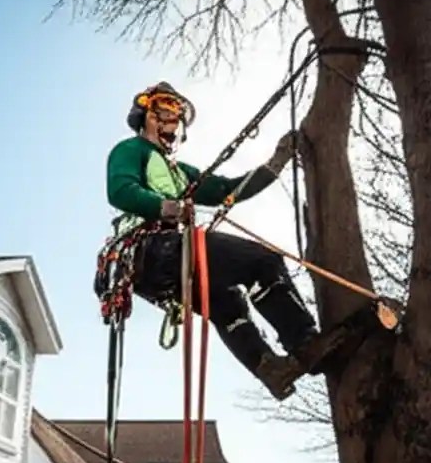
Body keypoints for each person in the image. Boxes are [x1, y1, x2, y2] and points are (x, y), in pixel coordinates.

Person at [104, 81, 320, 400]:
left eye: (176, 117)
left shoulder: (180, 171)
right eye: (162, 112)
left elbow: (224, 190)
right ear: (144, 116)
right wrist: (164, 207)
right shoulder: (131, 150)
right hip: (149, 249)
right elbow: (120, 189)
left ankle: (269, 368)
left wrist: (276, 163)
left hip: (165, 262)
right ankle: (304, 340)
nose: (170, 121)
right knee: (262, 261)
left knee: (227, 303)